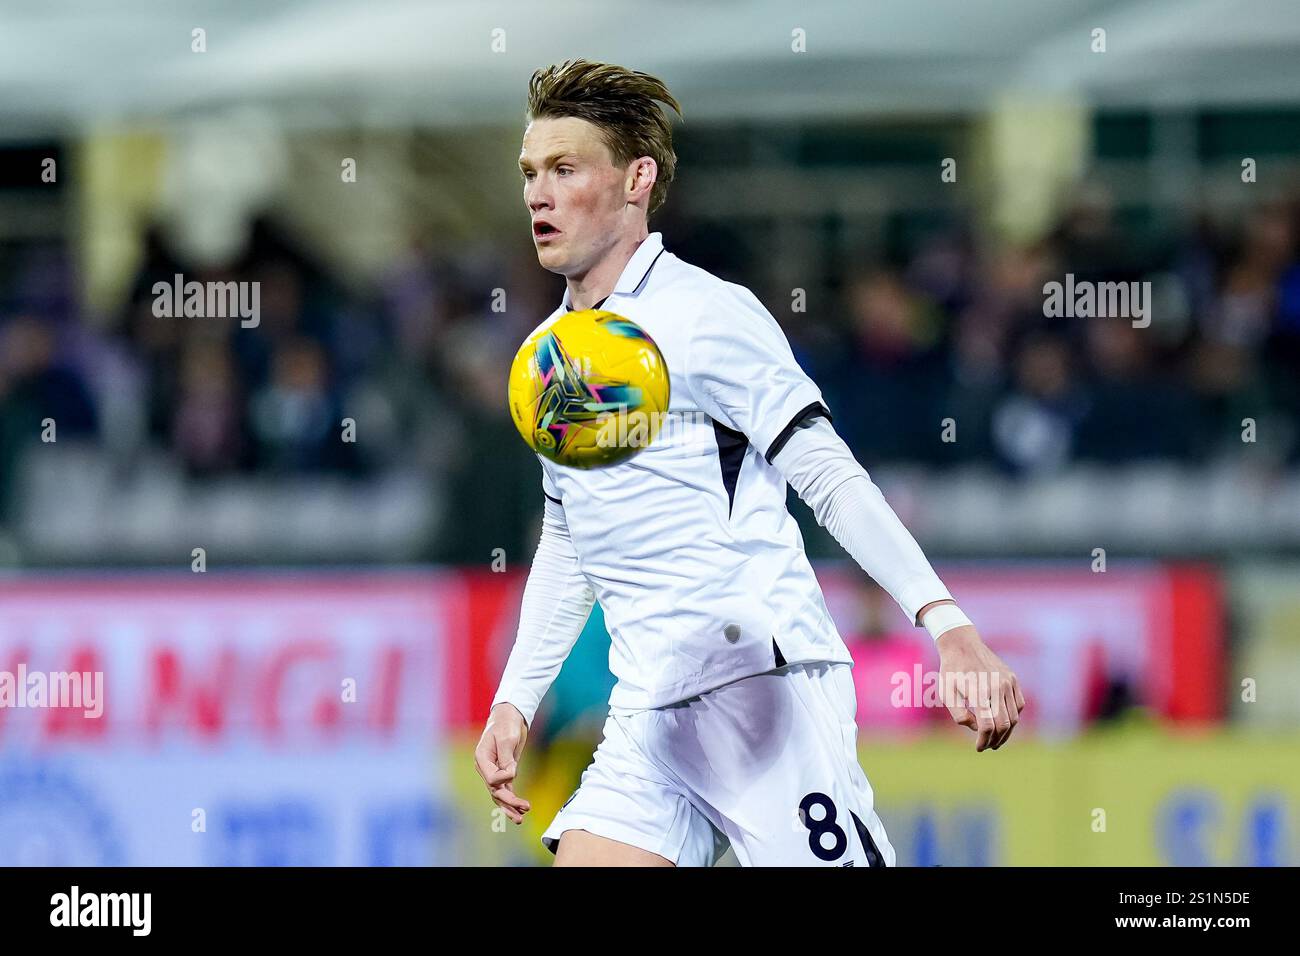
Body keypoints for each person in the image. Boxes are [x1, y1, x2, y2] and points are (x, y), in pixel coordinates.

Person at [474, 59, 1024, 867]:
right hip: (647, 714)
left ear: (637, 179)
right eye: (529, 173)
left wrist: (948, 625)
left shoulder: (707, 314)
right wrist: (516, 699)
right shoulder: (543, 360)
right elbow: (568, 537)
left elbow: (829, 478)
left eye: (564, 169)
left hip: (759, 684)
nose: (537, 194)